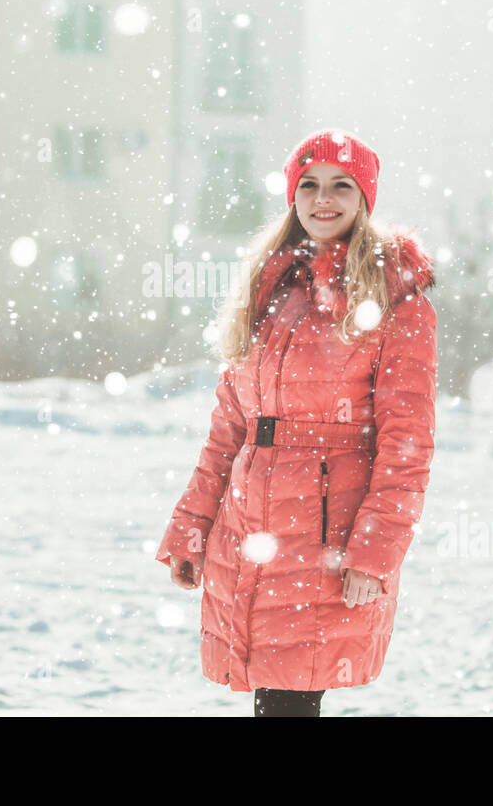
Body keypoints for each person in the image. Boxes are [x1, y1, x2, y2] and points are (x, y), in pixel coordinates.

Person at [155, 129, 438, 716]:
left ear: (365, 198)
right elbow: (229, 429)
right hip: (248, 527)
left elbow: (406, 444)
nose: (322, 198)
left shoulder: (397, 302)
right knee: (273, 695)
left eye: (341, 185)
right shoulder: (270, 289)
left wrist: (373, 552)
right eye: (308, 185)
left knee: (288, 699)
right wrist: (192, 525)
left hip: (325, 536)